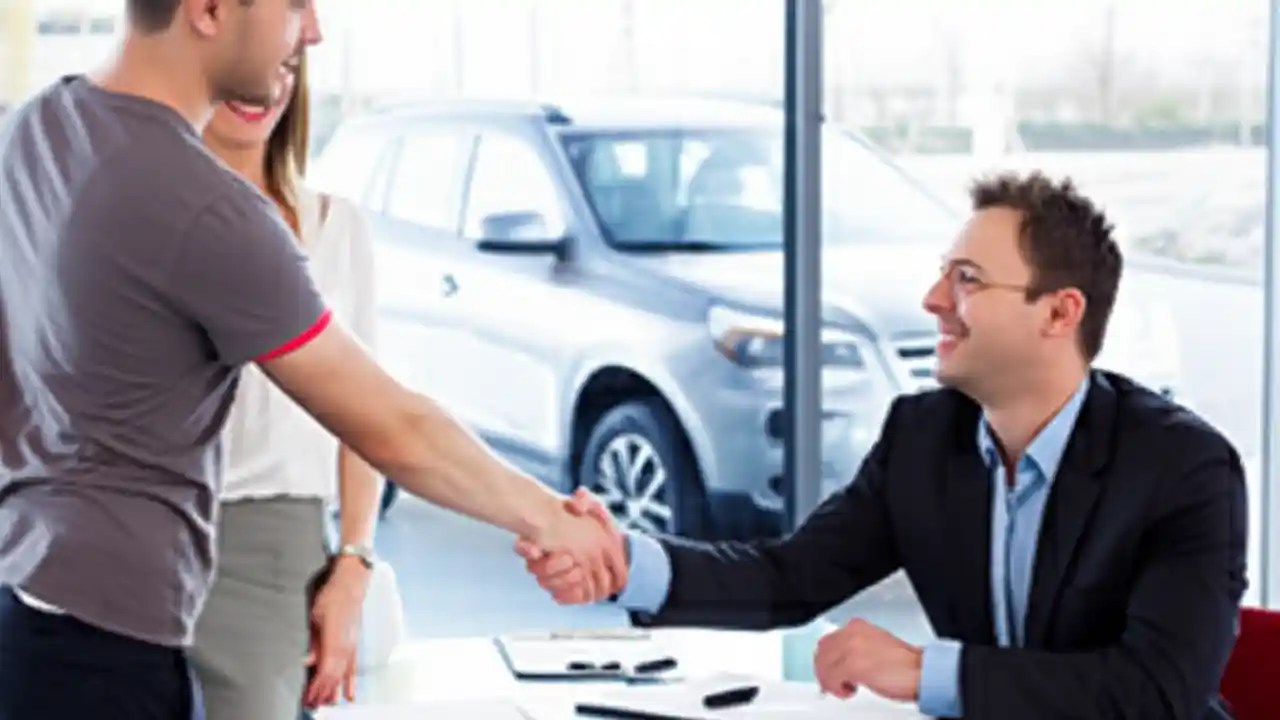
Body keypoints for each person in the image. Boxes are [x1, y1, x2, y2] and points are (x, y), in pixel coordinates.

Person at [0, 1, 622, 718]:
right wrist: (551, 518)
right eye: (294, 4)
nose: (314, 29)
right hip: (106, 655)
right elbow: (394, 427)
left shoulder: (35, 130)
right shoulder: (203, 208)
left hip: (29, 611)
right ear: (208, 10)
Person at [519, 172, 1248, 720]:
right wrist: (621, 565)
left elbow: (1156, 689)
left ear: (1060, 311)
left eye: (966, 280)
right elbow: (788, 577)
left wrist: (924, 671)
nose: (934, 299)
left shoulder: (1182, 468)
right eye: (942, 274)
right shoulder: (923, 438)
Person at [187, 53, 380, 719]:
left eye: (288, 63)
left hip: (273, 551)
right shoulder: (143, 222)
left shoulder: (338, 226)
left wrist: (353, 566)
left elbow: (374, 421)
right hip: (134, 540)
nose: (267, 81)